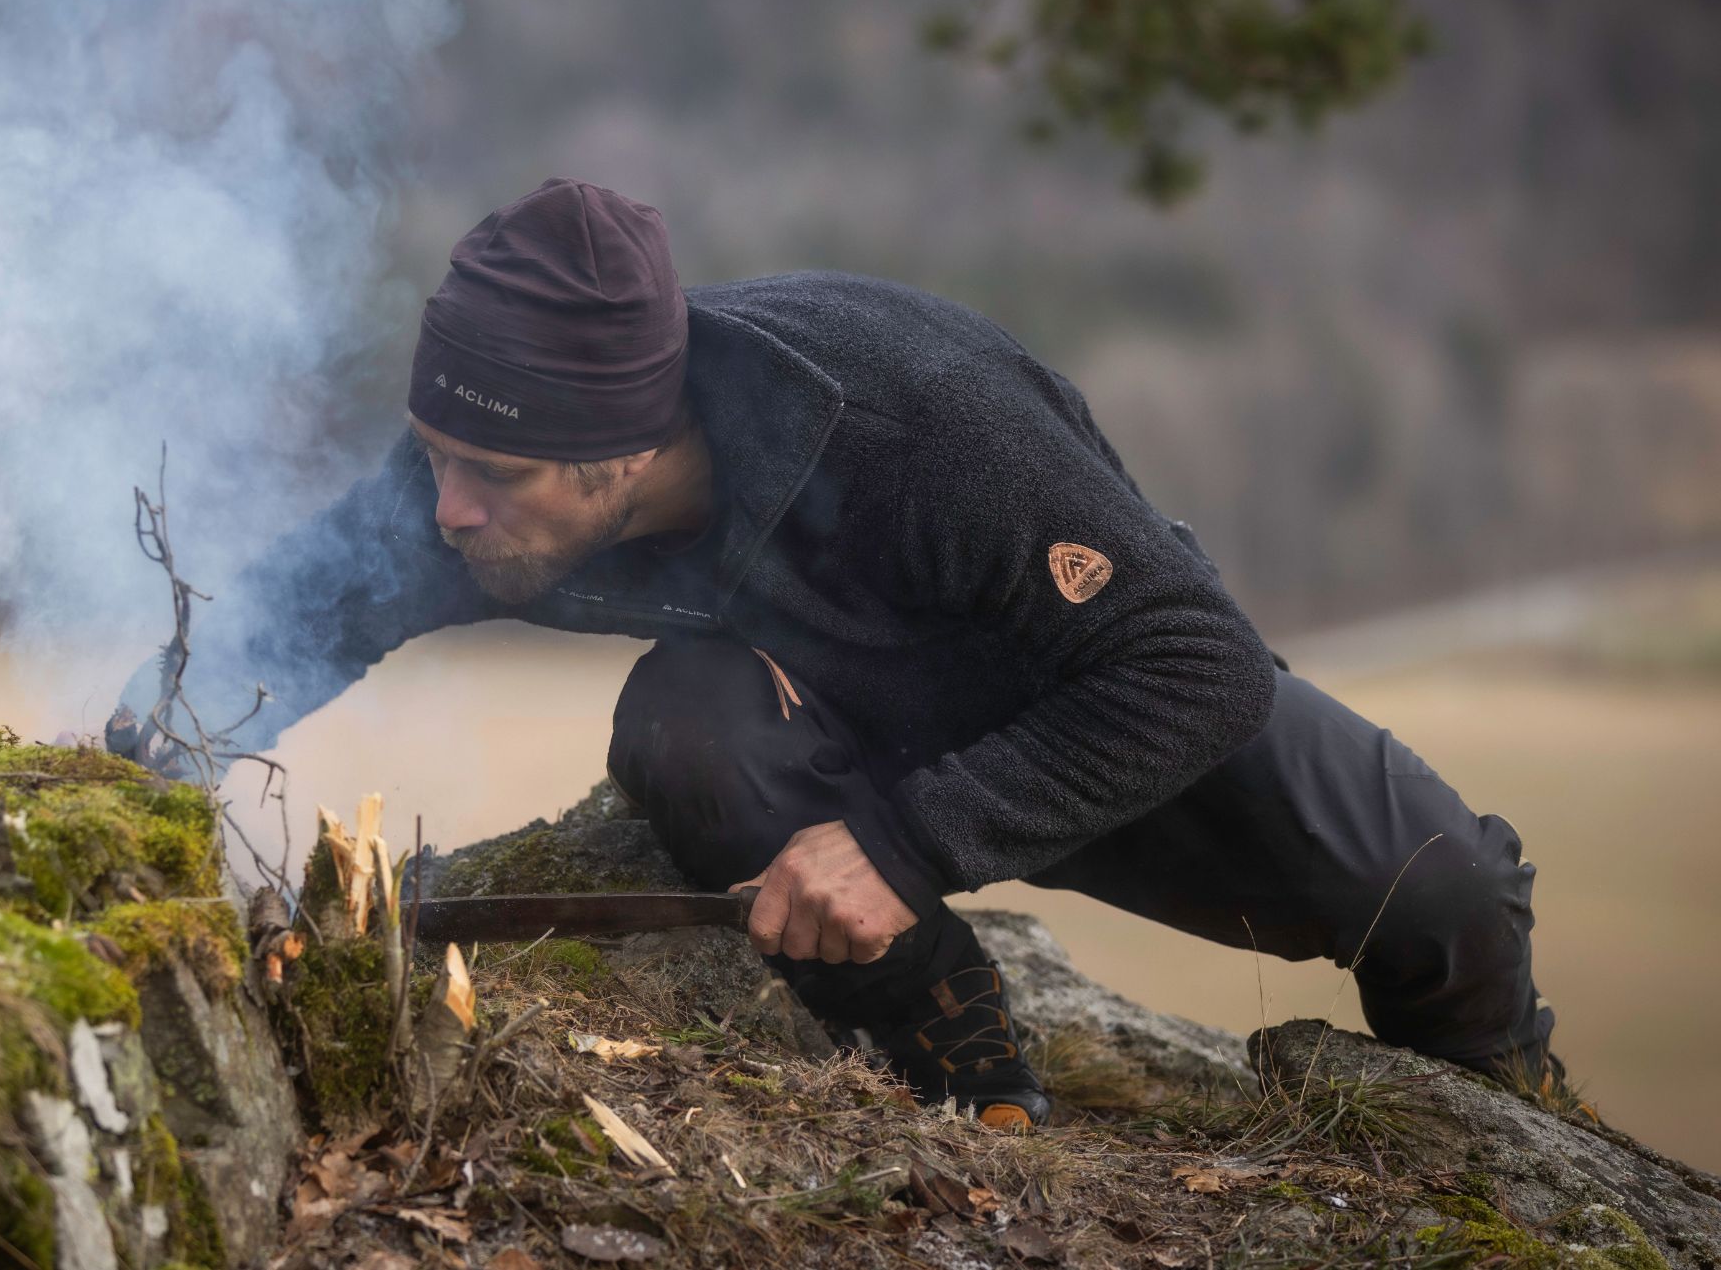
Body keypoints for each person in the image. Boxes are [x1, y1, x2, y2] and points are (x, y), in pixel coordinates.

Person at [108, 178, 1555, 1132]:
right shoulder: (485, 477)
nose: (445, 509)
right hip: (845, 737)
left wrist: (908, 840)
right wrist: (116, 771)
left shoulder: (920, 422)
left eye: (486, 471)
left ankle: (1511, 1106)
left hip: (1105, 700)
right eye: (434, 455)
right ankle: (964, 1062)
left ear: (621, 447)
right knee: (688, 722)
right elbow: (298, 606)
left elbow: (1202, 664)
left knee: (1446, 896)